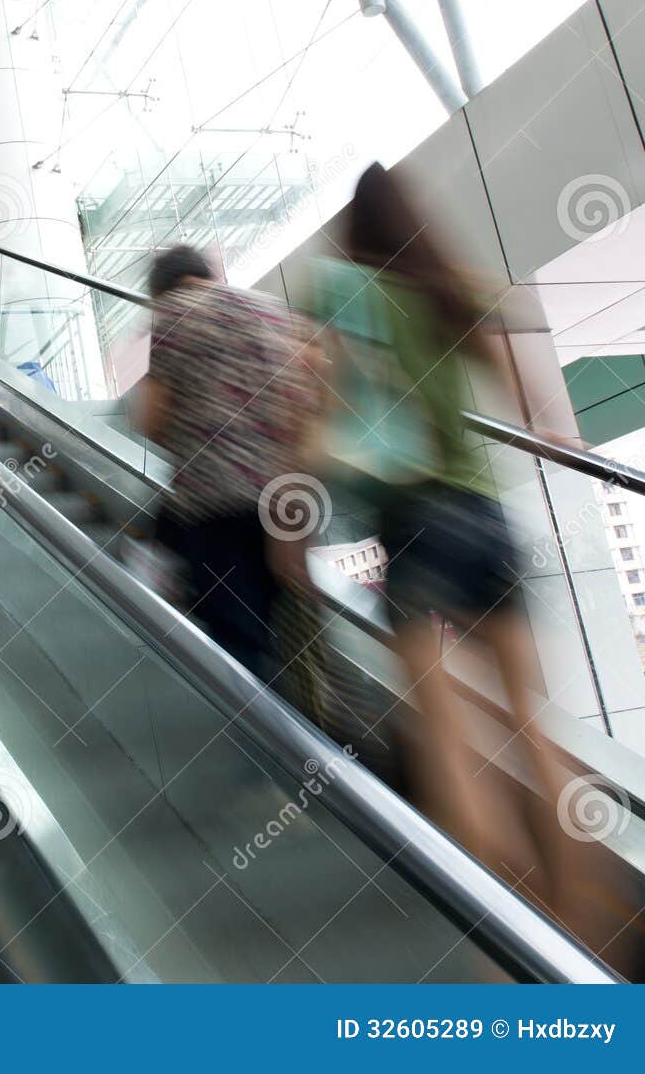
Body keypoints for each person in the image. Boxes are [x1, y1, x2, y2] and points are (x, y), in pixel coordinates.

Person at [312, 162, 600, 938]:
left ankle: (508, 943)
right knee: (531, 727)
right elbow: (534, 407)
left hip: (413, 524)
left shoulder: (345, 290)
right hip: (488, 519)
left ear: (355, 231)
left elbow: (335, 407)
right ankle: (579, 932)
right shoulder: (450, 286)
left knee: (445, 735)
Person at [135, 244, 319, 681]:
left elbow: (153, 422)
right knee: (281, 627)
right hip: (284, 501)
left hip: (216, 506)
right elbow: (306, 400)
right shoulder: (270, 309)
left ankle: (252, 720)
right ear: (206, 274)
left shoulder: (172, 316)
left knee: (238, 641)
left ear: (161, 290)